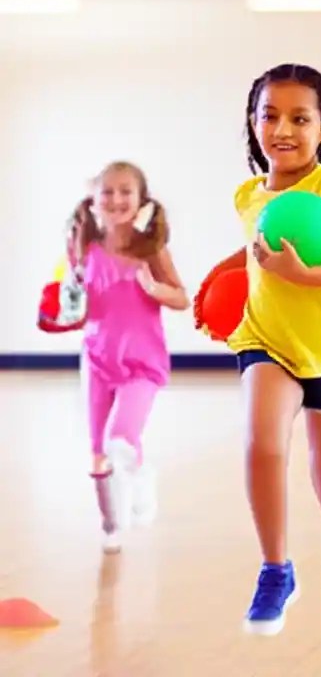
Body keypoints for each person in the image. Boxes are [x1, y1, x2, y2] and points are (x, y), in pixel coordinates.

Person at [193, 63, 321, 645]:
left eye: (300, 118)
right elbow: (259, 255)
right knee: (262, 443)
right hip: (264, 341)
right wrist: (224, 278)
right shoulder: (249, 194)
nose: (283, 128)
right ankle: (276, 568)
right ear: (253, 124)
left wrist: (306, 272)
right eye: (269, 116)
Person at [62, 161, 188, 553]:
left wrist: (153, 288)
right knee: (99, 451)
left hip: (141, 364)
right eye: (108, 191)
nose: (116, 199)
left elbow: (182, 297)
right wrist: (67, 303)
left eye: (125, 191)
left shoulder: (151, 248)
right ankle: (111, 523)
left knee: (121, 440)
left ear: (140, 200)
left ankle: (140, 479)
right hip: (97, 361)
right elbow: (74, 298)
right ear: (94, 198)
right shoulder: (83, 244)